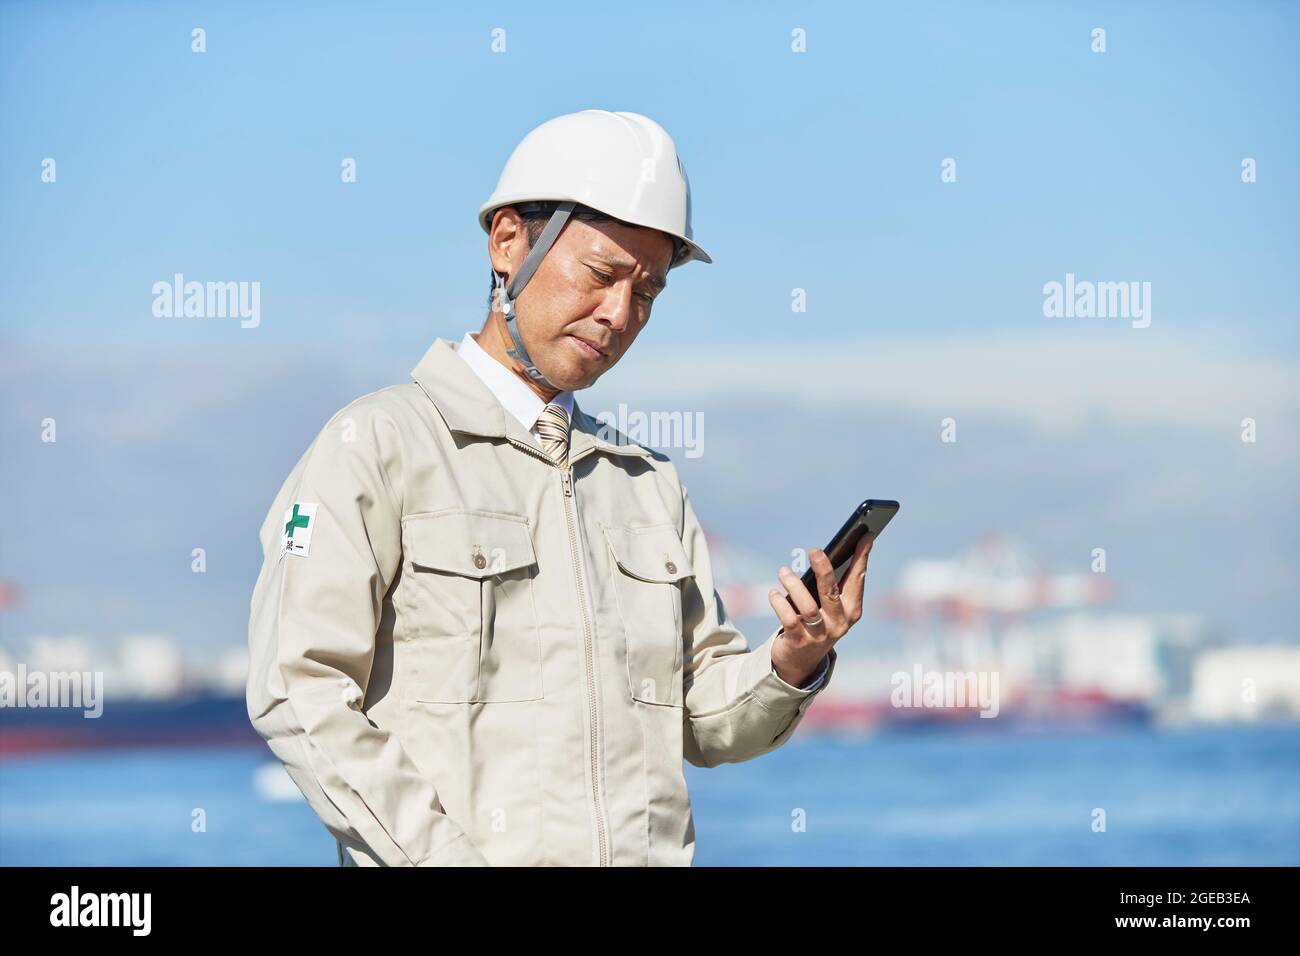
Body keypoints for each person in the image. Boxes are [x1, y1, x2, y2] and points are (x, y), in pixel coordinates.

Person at [246, 109, 874, 867]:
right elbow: (299, 690)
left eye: (648, 292)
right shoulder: (377, 446)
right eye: (603, 274)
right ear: (508, 242)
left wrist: (793, 659)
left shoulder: (647, 485)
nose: (621, 314)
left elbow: (704, 723)